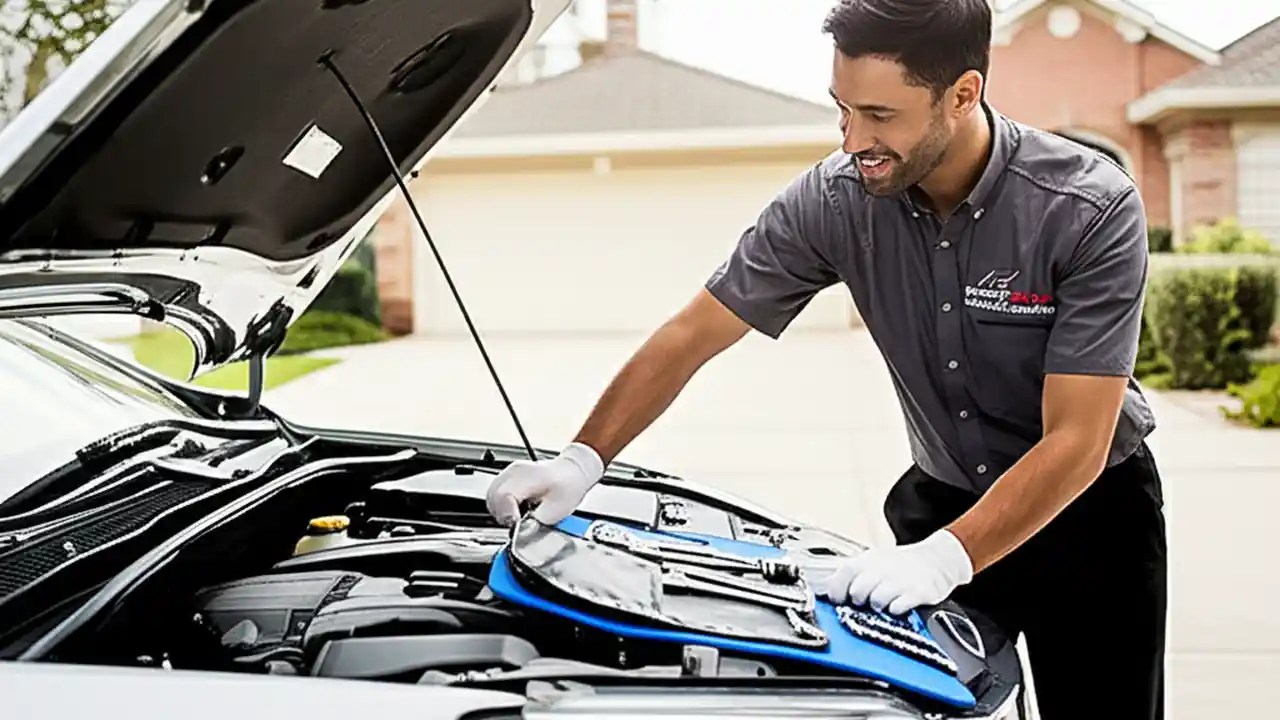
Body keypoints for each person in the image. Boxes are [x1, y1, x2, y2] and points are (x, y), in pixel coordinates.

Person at [483, 0, 1166, 717]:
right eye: (843, 109)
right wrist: (581, 460)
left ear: (963, 94)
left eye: (880, 115)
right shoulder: (835, 200)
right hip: (940, 503)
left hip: (1093, 524)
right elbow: (692, 334)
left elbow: (1078, 440)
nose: (853, 140)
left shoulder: (1087, 208)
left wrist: (945, 559)